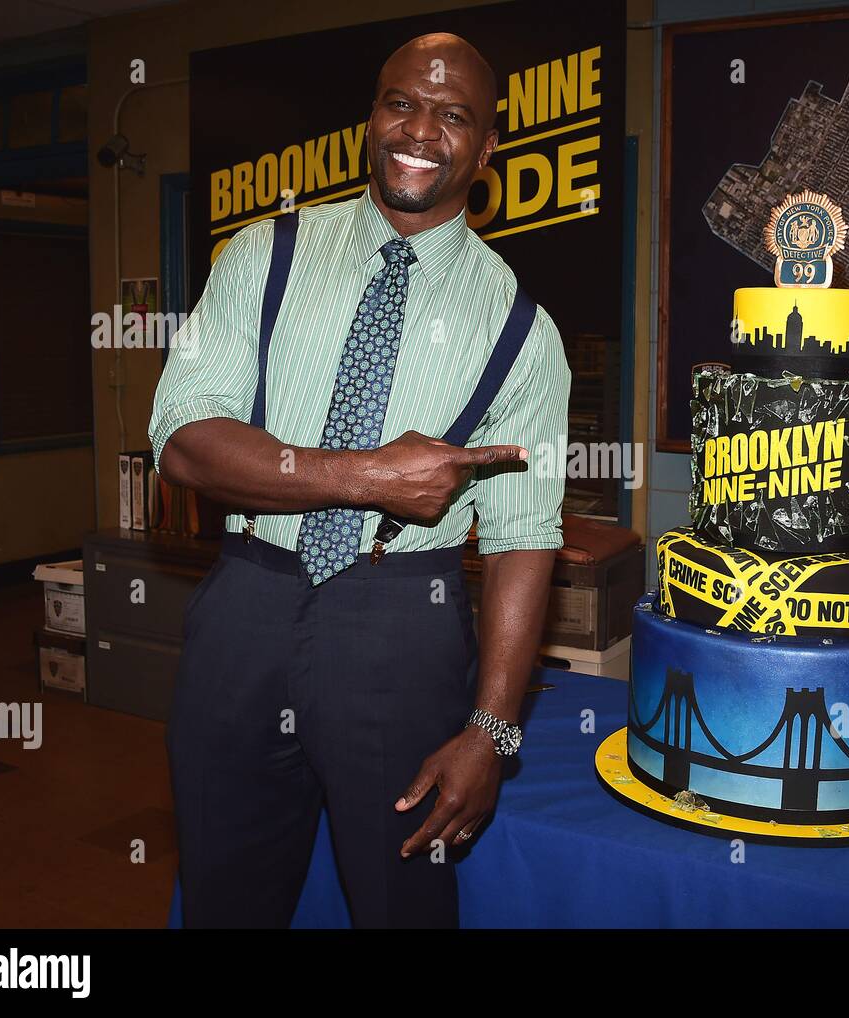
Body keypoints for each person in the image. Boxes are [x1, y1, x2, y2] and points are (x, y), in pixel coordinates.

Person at [149, 32, 570, 928]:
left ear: (487, 149)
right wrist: (370, 476)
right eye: (401, 103)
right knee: (223, 896)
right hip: (245, 608)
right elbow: (181, 442)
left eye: (454, 115)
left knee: (401, 903)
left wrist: (493, 730)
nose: (421, 129)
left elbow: (524, 537)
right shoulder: (261, 256)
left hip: (401, 628)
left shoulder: (525, 330)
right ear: (369, 120)